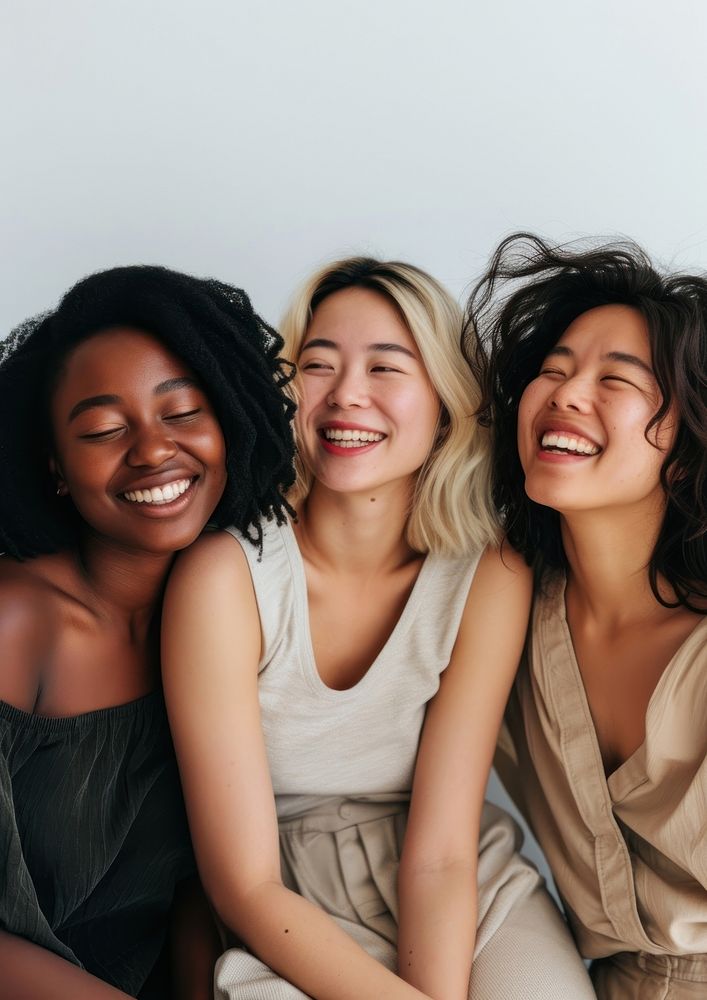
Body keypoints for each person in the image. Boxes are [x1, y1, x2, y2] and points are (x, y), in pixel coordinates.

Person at [162, 257, 595, 999]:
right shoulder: (225, 576)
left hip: (458, 880)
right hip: (284, 899)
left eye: (385, 367)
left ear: (446, 405)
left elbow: (442, 852)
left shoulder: (489, 572)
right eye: (318, 365)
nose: (346, 395)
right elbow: (243, 884)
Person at [0, 264, 296, 1000]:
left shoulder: (232, 617)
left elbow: (196, 892)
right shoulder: (15, 618)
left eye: (183, 412)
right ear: (56, 467)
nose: (153, 450)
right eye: (104, 429)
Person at [465, 233, 707, 999]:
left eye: (616, 378)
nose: (566, 394)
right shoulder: (502, 611)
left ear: (685, 443)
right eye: (553, 368)